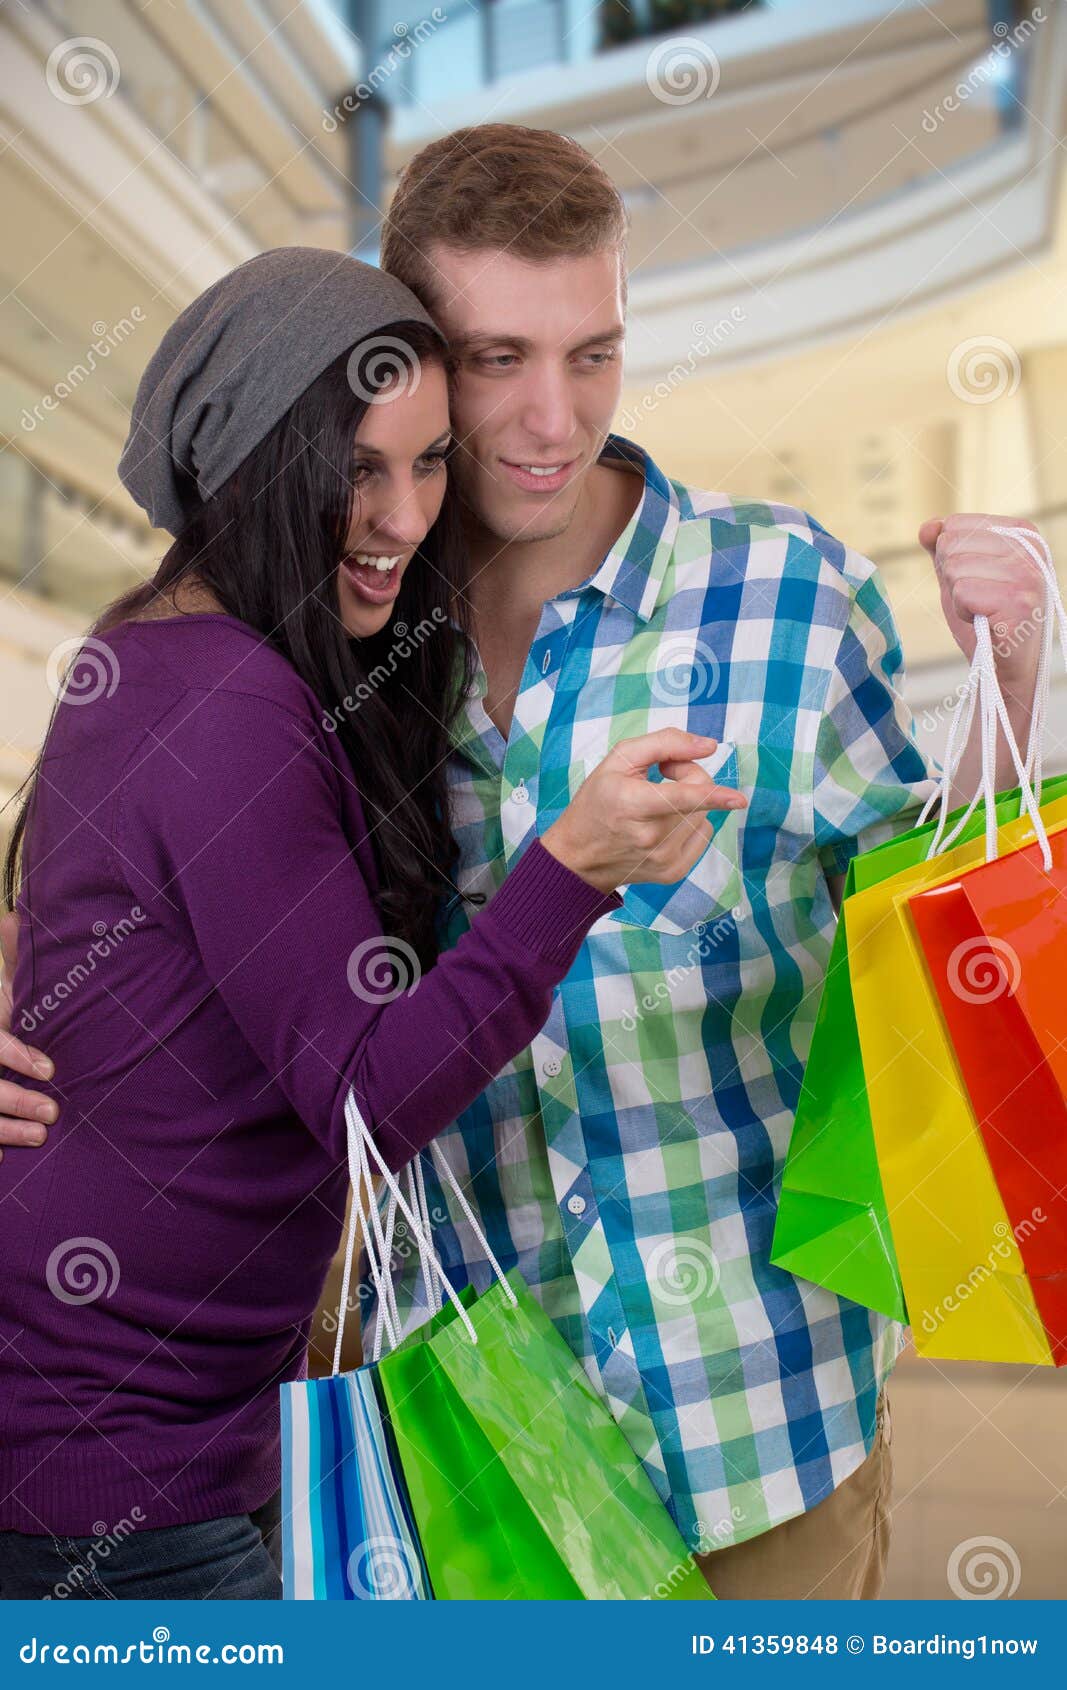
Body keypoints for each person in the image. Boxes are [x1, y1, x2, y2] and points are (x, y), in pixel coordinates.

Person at [0, 125, 1050, 1601]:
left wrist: (1008, 687)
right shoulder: (343, 637)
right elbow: (140, 904)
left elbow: (934, 960)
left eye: (595, 354)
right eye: (496, 361)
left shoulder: (785, 592)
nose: (551, 420)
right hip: (472, 1455)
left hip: (757, 1422)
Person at [0, 246, 745, 1599]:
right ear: (255, 471)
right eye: (357, 467)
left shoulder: (156, 648)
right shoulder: (230, 704)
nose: (401, 514)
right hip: (117, 1487)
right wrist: (570, 868)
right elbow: (365, 1089)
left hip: (115, 1442)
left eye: (427, 462)